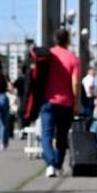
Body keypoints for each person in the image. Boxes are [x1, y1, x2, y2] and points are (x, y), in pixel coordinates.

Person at [41, 28, 81, 178]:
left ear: (54, 39)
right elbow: (75, 83)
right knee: (62, 136)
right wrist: (77, 103)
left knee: (46, 135)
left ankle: (51, 164)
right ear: (68, 40)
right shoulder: (73, 59)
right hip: (66, 103)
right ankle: (57, 164)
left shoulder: (48, 56)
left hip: (48, 101)